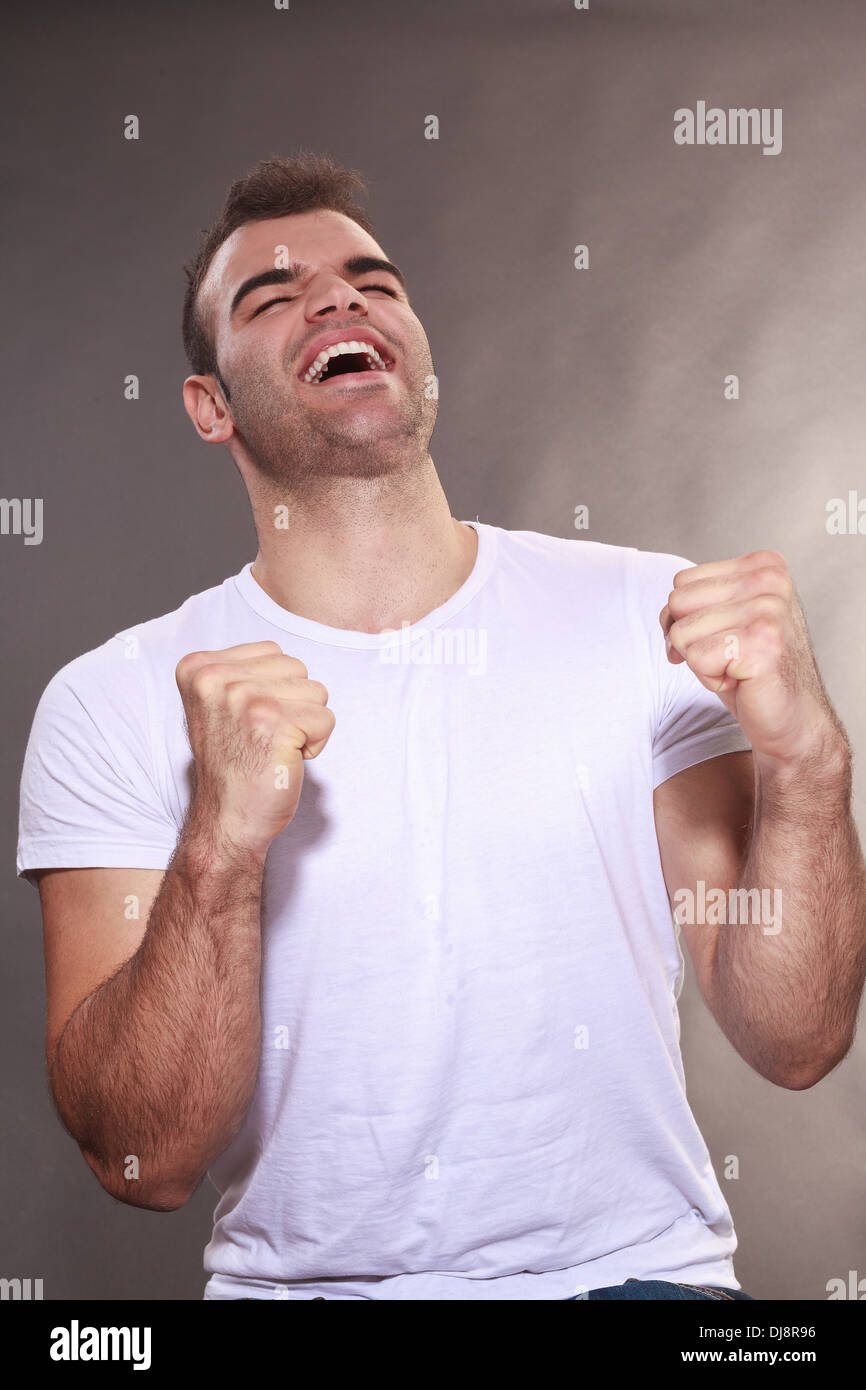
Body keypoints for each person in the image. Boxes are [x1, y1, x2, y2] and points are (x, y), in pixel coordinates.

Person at [17, 152, 866, 1301]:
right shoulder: (113, 697)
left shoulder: (644, 618)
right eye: (272, 296)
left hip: (635, 1286)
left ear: (417, 350)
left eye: (372, 282)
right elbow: (142, 1161)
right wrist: (218, 842)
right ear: (209, 405)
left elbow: (795, 1038)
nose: (338, 299)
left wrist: (808, 761)